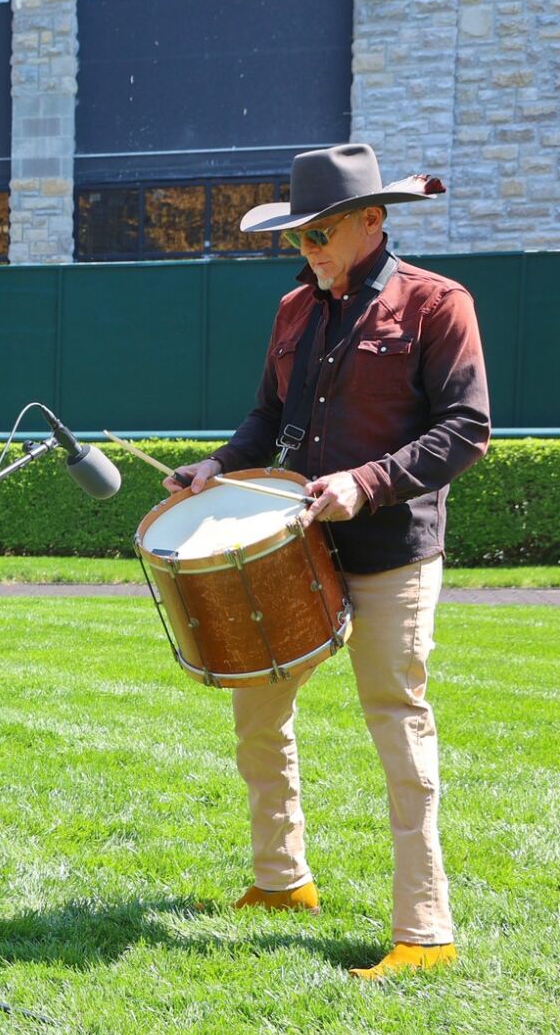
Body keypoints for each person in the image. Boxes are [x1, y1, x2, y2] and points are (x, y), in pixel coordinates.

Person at [169, 144, 490, 980]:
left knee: (396, 723)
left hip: (391, 553)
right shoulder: (290, 311)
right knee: (256, 711)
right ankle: (282, 880)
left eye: (319, 233)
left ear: (370, 221)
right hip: (293, 551)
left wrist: (365, 482)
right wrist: (217, 466)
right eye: (296, 235)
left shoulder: (438, 303)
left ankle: (424, 930)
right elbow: (266, 415)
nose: (305, 248)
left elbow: (466, 429)